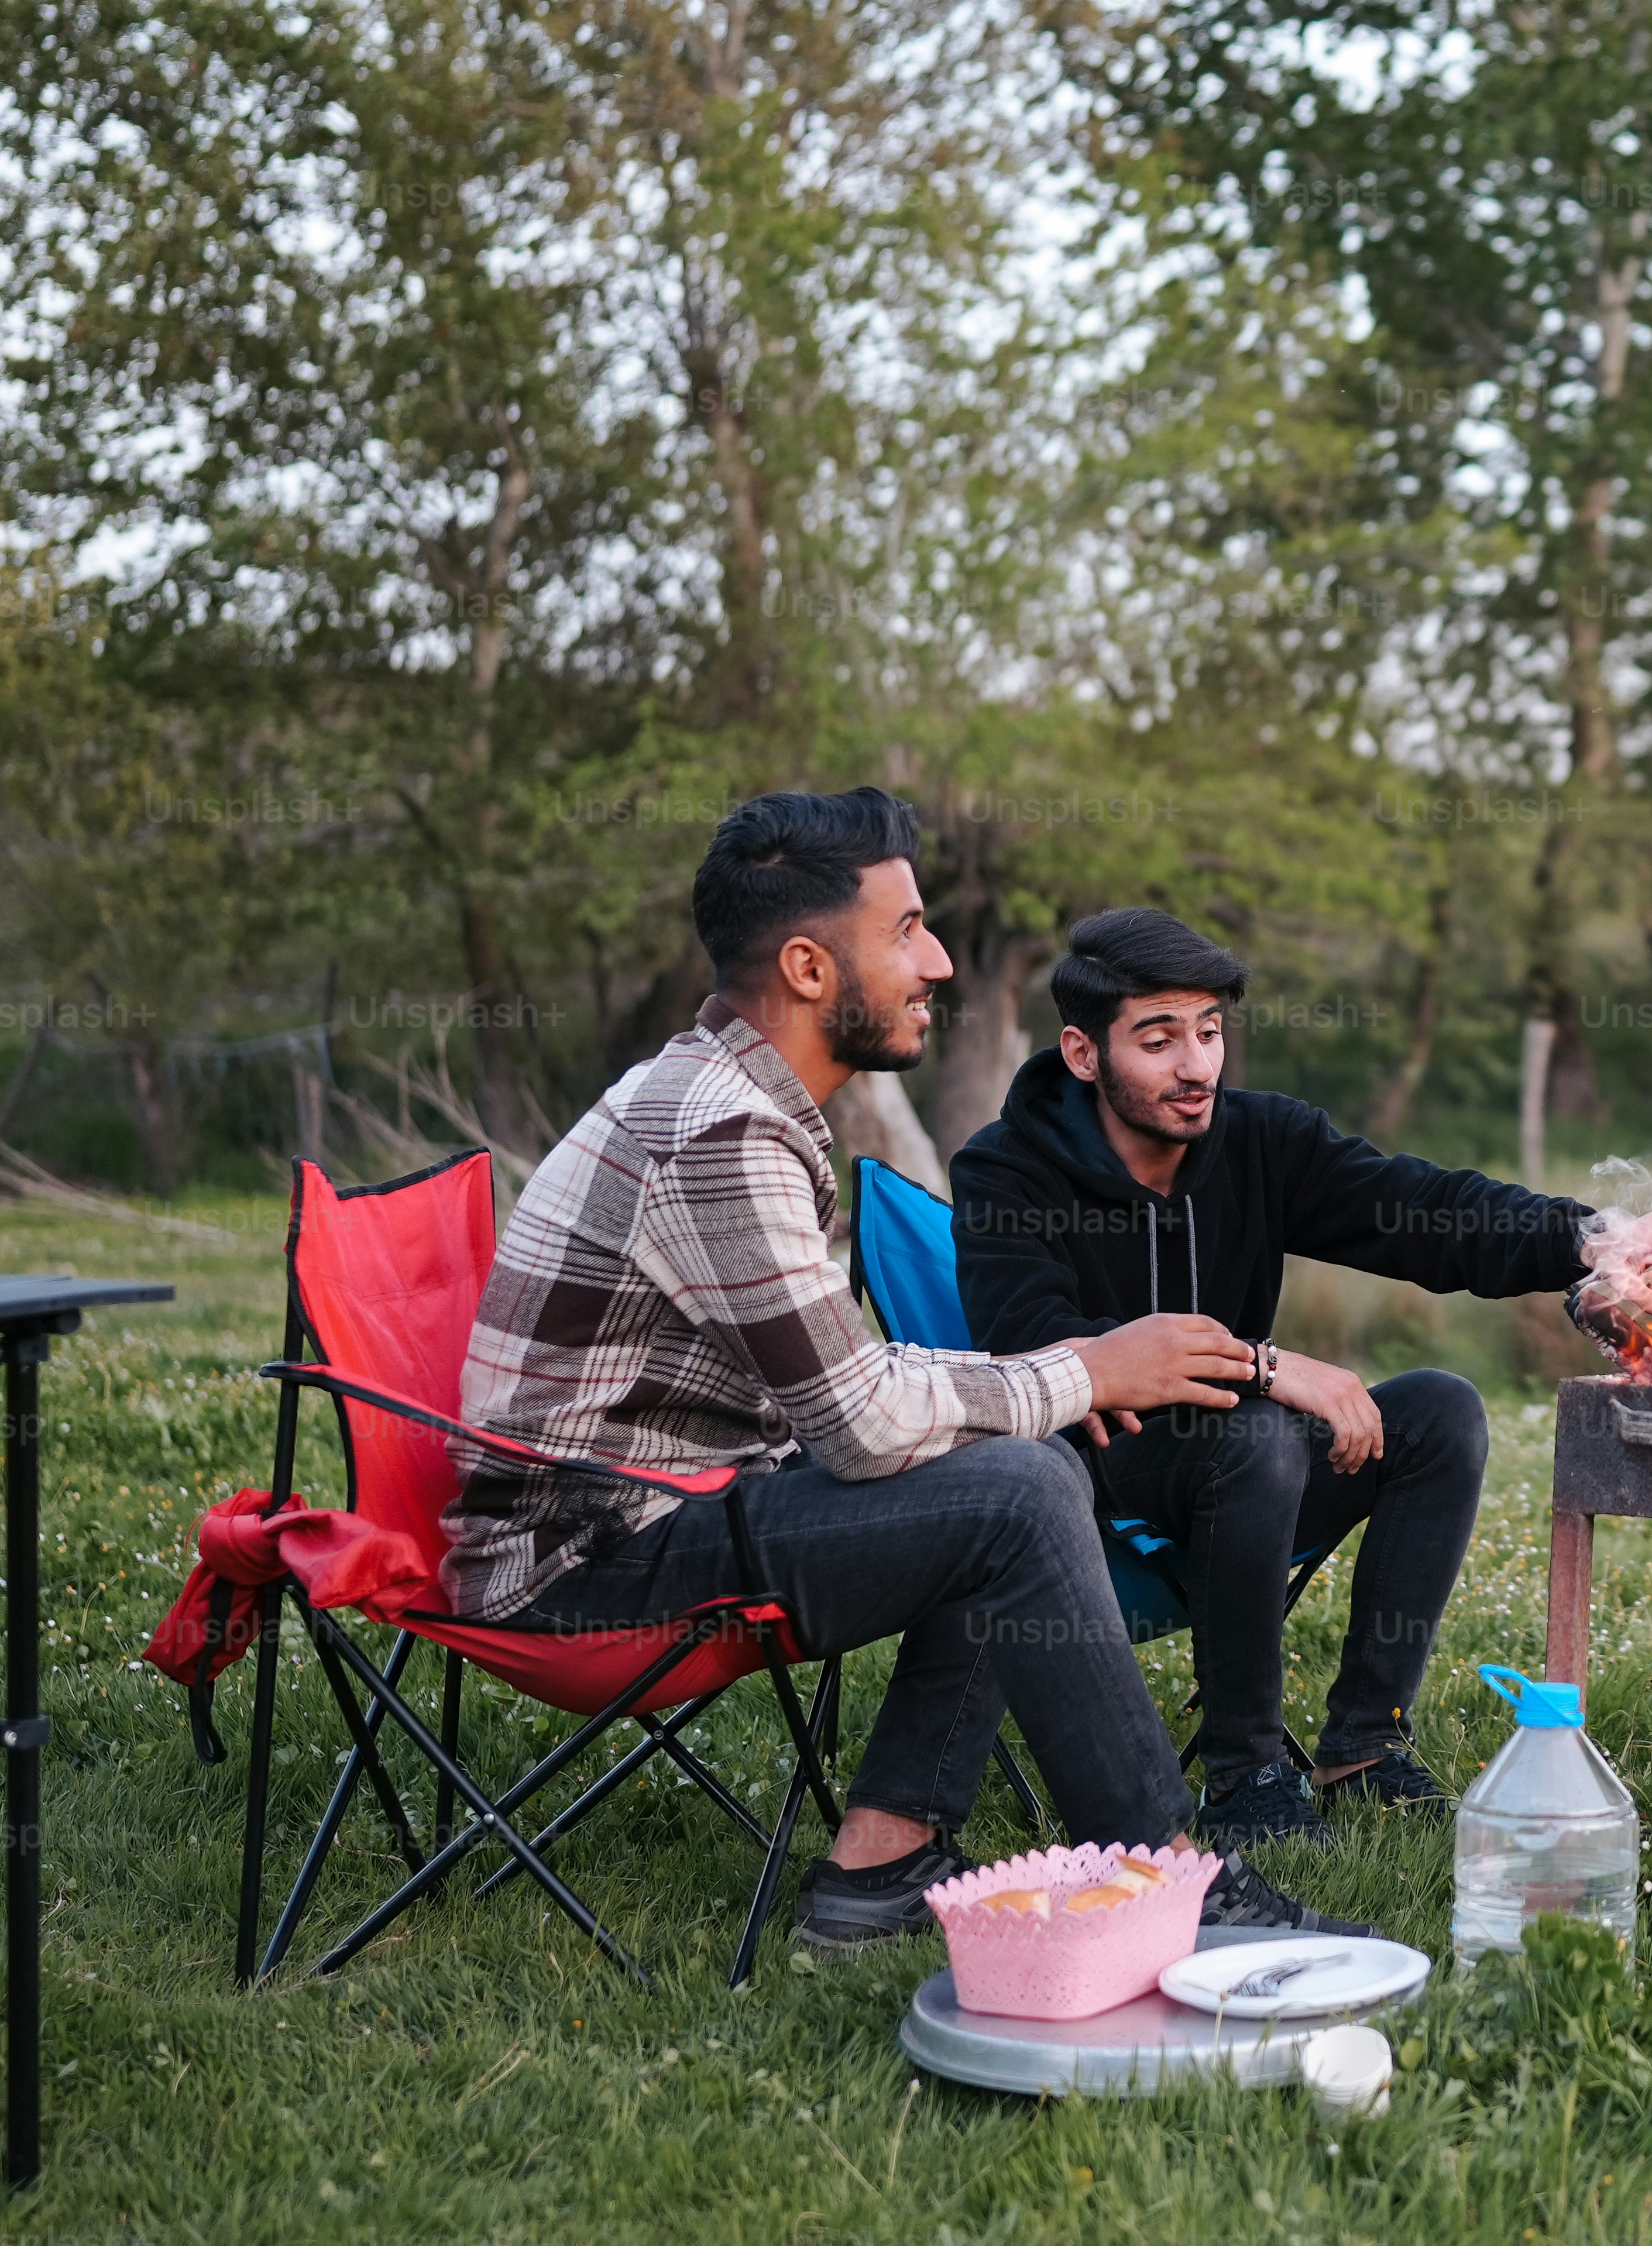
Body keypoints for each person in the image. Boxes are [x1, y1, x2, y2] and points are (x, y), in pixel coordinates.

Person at [439, 790, 1368, 1949]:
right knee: (1022, 1488)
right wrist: (1086, 1367)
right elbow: (863, 1428)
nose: (936, 960)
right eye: (907, 929)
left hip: (649, 1511)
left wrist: (1048, 1383)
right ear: (810, 966)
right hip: (582, 1567)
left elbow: (849, 1377)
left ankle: (882, 1862)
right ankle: (1170, 1882)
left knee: (1012, 1457)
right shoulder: (721, 1129)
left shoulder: (727, 1098)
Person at [951, 908, 1611, 1846]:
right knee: (1257, 1434)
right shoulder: (1005, 1171)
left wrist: (1587, 1238)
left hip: (1245, 1489)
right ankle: (1247, 1773)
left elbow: (1423, 1211)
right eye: (1159, 1039)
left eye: (1211, 1032)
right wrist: (1267, 1366)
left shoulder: (1260, 1141)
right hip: (1086, 1484)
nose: (1197, 1067)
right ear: (1083, 1053)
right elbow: (1042, 1345)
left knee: (1440, 1412)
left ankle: (1365, 1746)